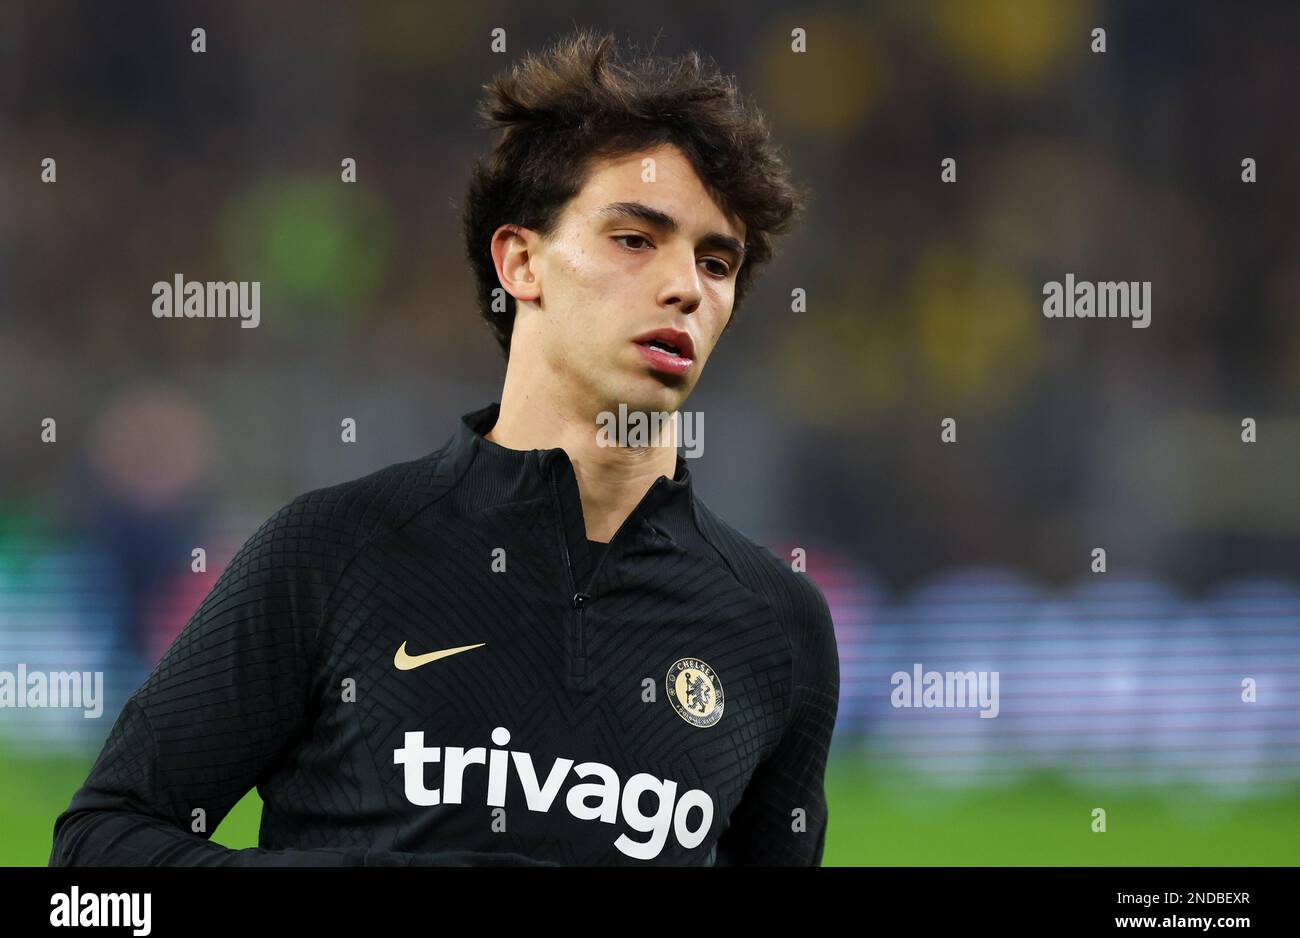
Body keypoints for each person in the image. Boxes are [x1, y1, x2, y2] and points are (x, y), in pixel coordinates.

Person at [50, 29, 838, 866]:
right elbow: (98, 854)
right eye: (635, 239)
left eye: (717, 262)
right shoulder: (333, 552)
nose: (685, 285)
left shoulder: (776, 625)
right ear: (521, 263)